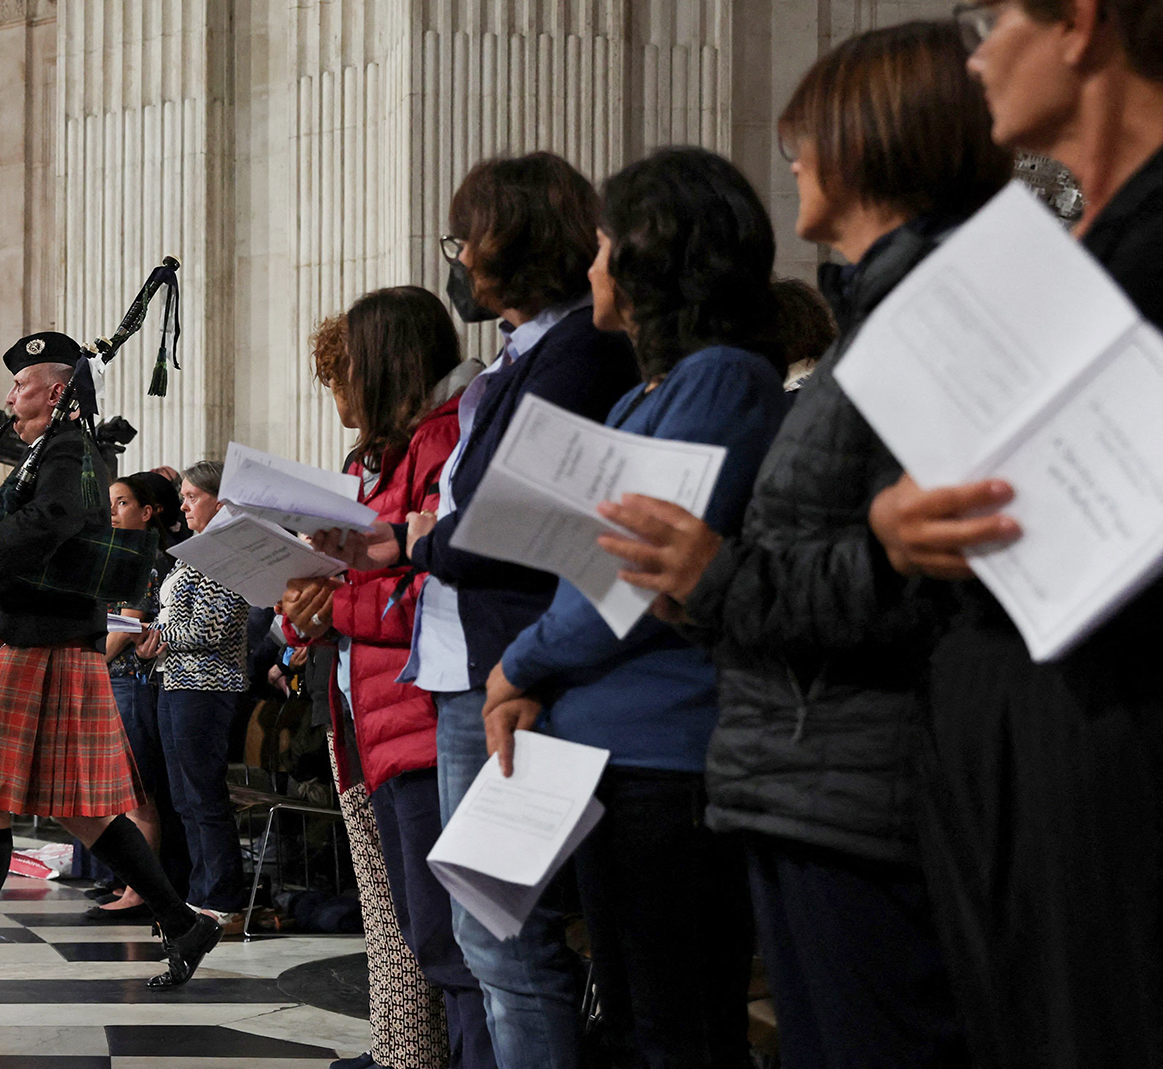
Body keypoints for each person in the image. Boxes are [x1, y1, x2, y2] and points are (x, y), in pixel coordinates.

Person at [592, 22, 1010, 1069]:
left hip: (858, 785)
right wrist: (709, 588)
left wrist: (717, 575)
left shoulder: (931, 315)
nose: (790, 161)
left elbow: (927, 578)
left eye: (805, 137)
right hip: (808, 776)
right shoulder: (879, 314)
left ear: (871, 140)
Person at [866, 3, 1163, 1065]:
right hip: (1008, 742)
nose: (977, 56)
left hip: (1118, 744)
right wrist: (897, 519)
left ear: (1078, 24)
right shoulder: (1059, 248)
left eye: (992, 21)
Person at [319, 152, 638, 1069]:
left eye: (467, 239)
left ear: (517, 242)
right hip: (470, 666)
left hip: (510, 661)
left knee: (503, 939)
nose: (459, 259)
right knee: (485, 932)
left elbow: (514, 523)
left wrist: (419, 540)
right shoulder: (521, 358)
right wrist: (407, 540)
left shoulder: (579, 352)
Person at [481, 147, 787, 1068]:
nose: (591, 264)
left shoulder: (722, 377)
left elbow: (633, 573)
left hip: (669, 755)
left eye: (606, 243)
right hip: (605, 750)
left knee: (678, 1034)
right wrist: (538, 682)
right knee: (630, 1024)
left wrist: (520, 665)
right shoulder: (643, 394)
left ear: (655, 258)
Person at [0, 332, 218, 999]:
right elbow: (33, 541)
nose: (9, 398)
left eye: (20, 385)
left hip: (40, 645)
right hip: (49, 642)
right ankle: (183, 923)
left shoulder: (68, 449)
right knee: (80, 810)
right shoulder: (57, 451)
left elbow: (50, 523)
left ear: (57, 391)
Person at [288, 289, 488, 1069]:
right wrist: (309, 605)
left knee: (460, 944)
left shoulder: (444, 439)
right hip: (381, 718)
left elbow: (433, 588)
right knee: (427, 933)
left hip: (425, 715)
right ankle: (414, 1053)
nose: (344, 391)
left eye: (350, 370)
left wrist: (336, 602)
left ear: (382, 365)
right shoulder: (391, 454)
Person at [153, 461, 252, 932]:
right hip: (176, 680)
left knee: (204, 795)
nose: (184, 505)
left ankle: (223, 900)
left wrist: (156, 634)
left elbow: (211, 628)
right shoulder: (197, 550)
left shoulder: (226, 552)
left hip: (208, 684)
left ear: (221, 500)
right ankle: (199, 896)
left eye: (193, 496)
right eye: (184, 496)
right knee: (183, 798)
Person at [95, 474, 170, 917]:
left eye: (122, 502)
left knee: (138, 791)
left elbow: (128, 624)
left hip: (129, 681)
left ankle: (141, 892)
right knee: (117, 791)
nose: (112, 510)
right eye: (110, 502)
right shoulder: (115, 556)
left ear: (146, 512)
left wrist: (92, 658)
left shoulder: (145, 559)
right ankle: (124, 880)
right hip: (110, 680)